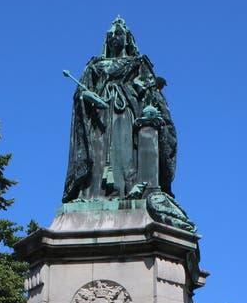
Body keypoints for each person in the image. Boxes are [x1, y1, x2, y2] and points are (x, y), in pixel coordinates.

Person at [63, 16, 176, 202]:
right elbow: (80, 93)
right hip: (99, 115)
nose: (114, 37)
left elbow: (152, 93)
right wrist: (88, 96)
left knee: (123, 153)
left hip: (126, 113)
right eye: (111, 34)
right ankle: (93, 193)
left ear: (127, 38)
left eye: (118, 33)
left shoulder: (137, 63)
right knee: (98, 153)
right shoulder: (95, 65)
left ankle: (127, 190)